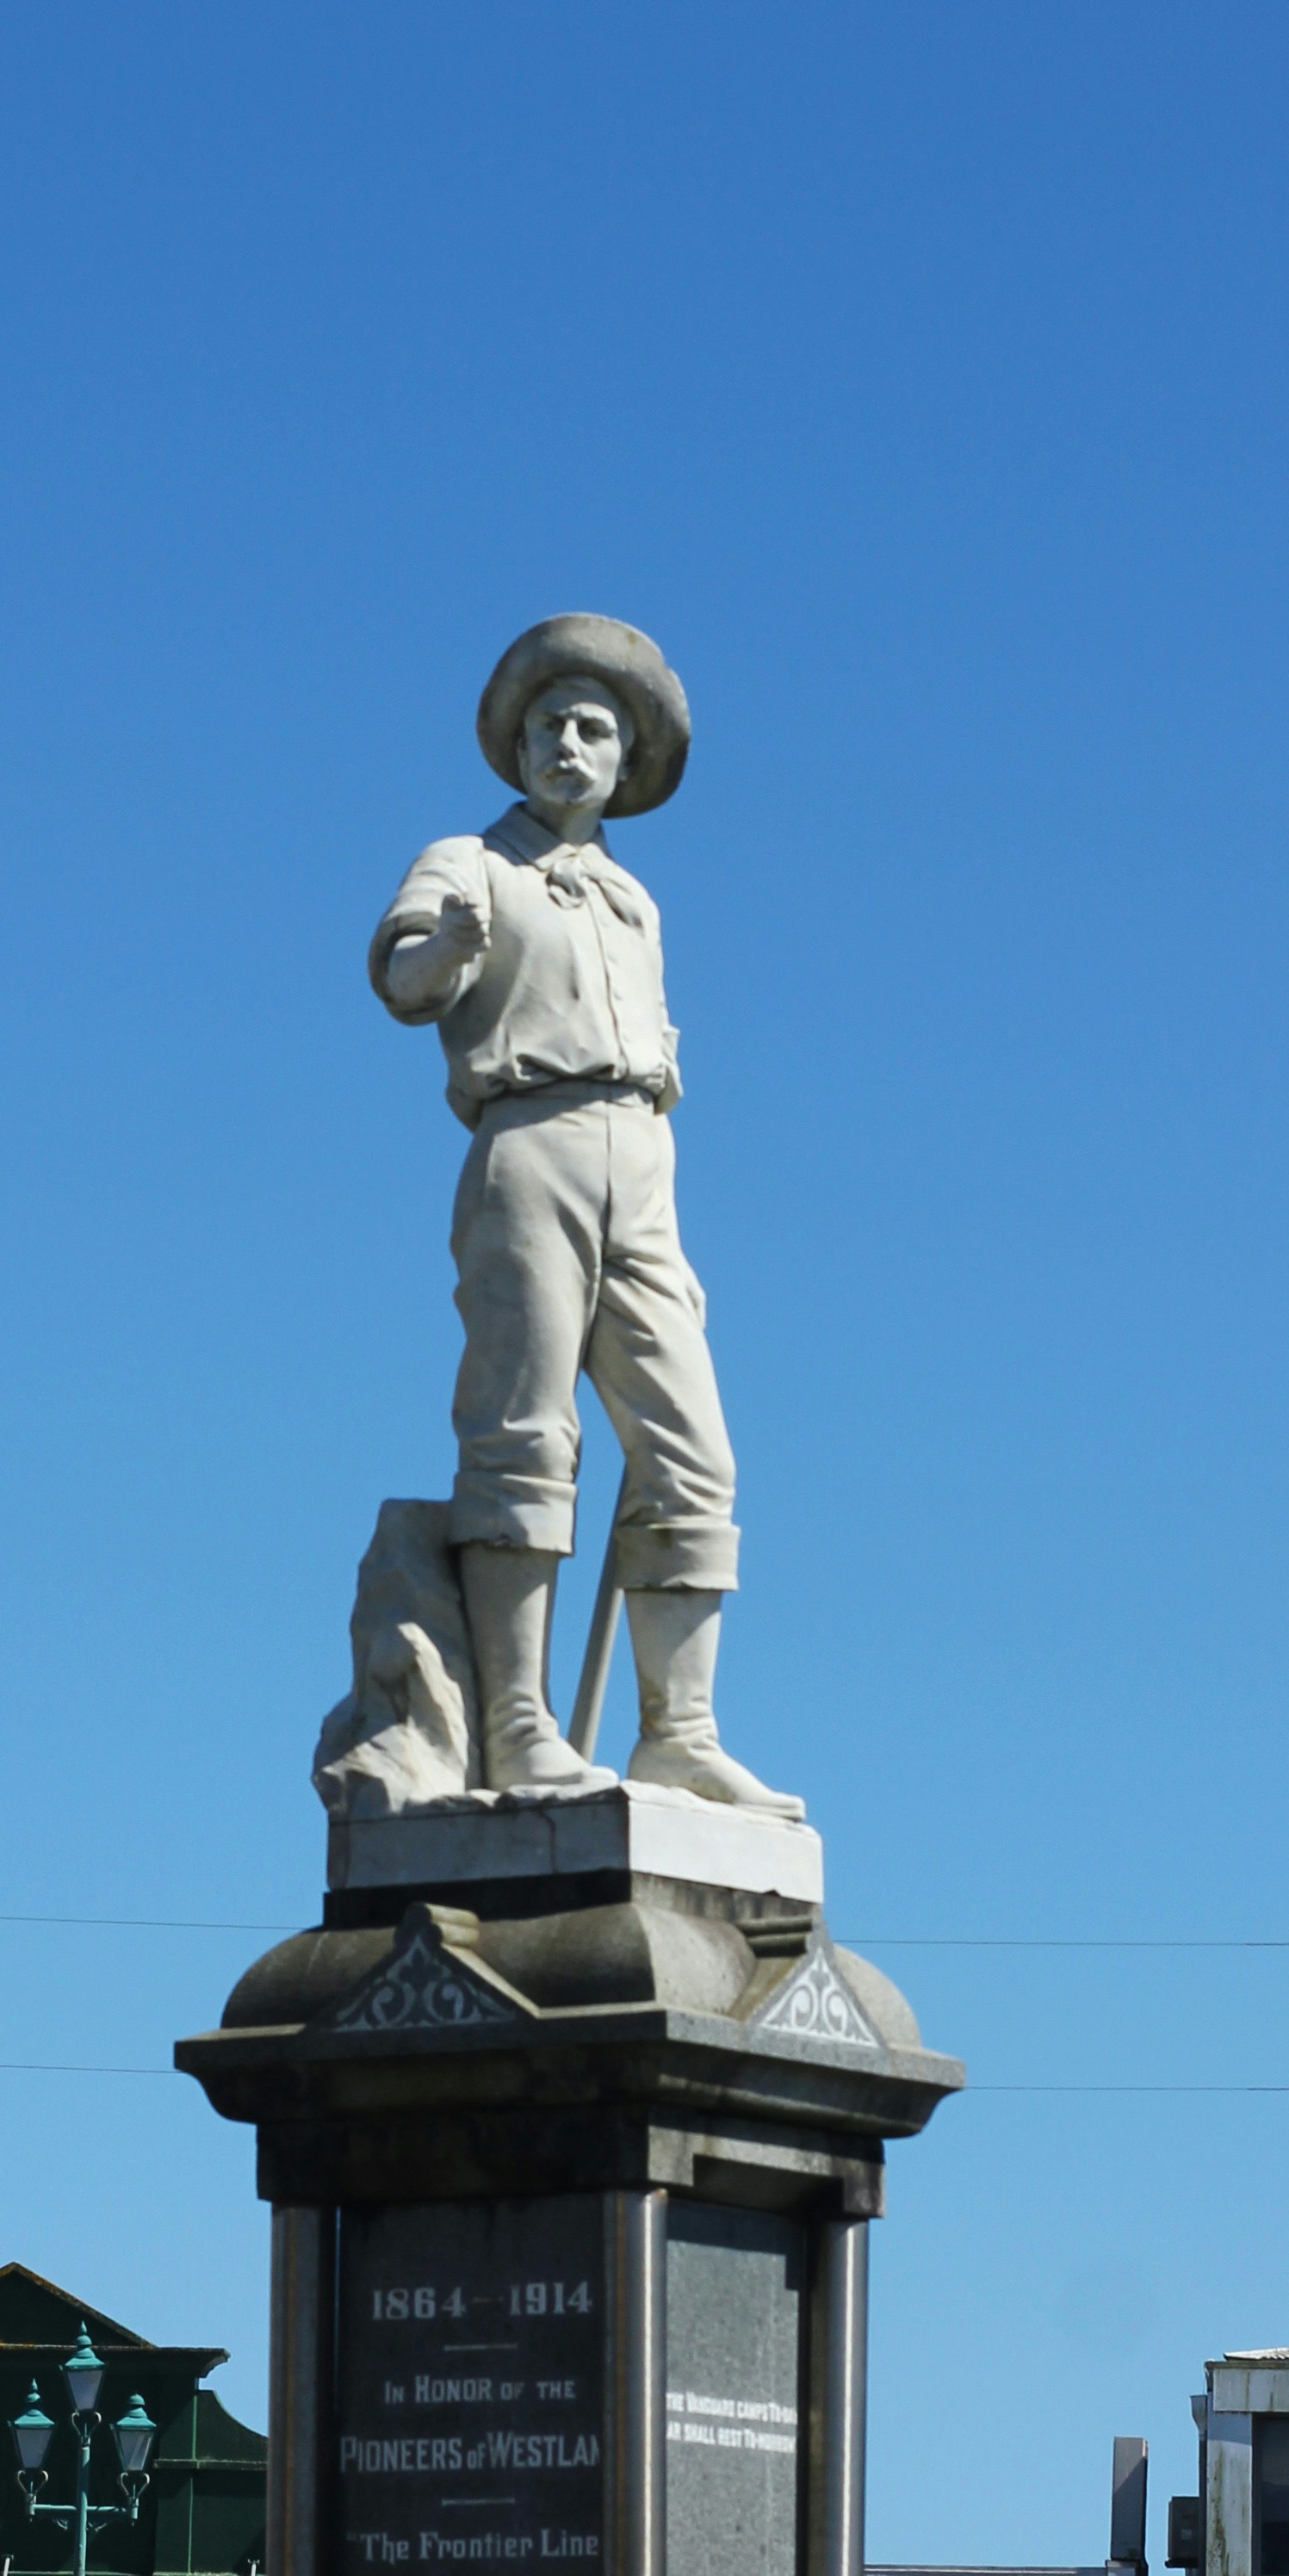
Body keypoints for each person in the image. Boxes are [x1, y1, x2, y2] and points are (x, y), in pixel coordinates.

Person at [369, 613, 796, 1814]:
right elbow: (406, 980)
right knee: (523, 1433)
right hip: (530, 1143)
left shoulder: (635, 899)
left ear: (622, 763)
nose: (570, 742)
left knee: (693, 1451)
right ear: (517, 745)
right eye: (551, 722)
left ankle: (682, 1732)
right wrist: (447, 946)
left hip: (642, 1166)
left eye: (594, 727)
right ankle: (518, 1728)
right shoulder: (471, 859)